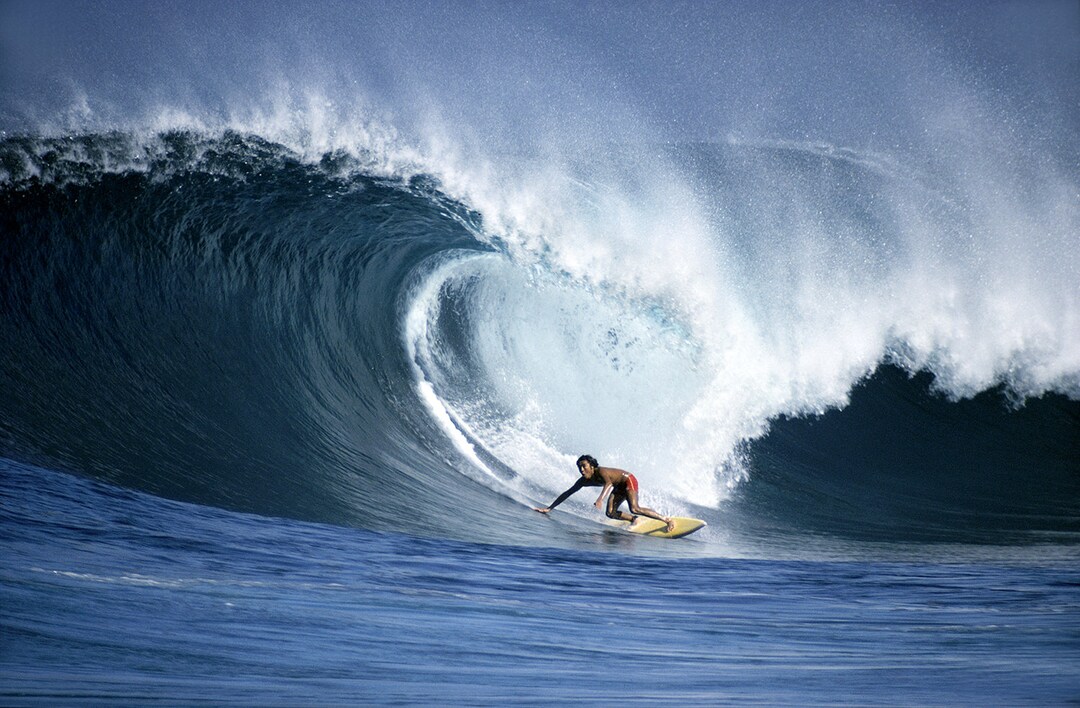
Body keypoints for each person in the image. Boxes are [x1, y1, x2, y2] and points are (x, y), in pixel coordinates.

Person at [534, 454, 675, 533]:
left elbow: (608, 483)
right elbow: (568, 493)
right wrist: (549, 508)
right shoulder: (583, 481)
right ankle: (634, 519)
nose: (582, 470)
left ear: (592, 466)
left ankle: (667, 520)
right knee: (610, 513)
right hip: (618, 485)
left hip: (628, 480)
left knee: (634, 507)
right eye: (579, 467)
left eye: (584, 466)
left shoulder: (601, 471)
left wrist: (600, 499)